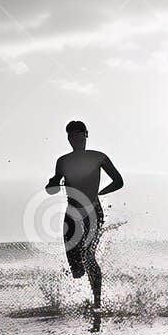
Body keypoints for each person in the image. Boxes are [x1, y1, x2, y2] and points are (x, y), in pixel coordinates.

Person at [44, 120, 123, 308]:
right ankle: (80, 300)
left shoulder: (98, 157)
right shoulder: (62, 161)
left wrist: (100, 193)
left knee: (89, 256)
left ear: (86, 135)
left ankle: (97, 303)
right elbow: (52, 189)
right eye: (71, 136)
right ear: (68, 139)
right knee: (77, 269)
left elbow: (118, 181)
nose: (75, 139)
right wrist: (53, 183)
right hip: (71, 214)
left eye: (79, 135)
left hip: (93, 213)